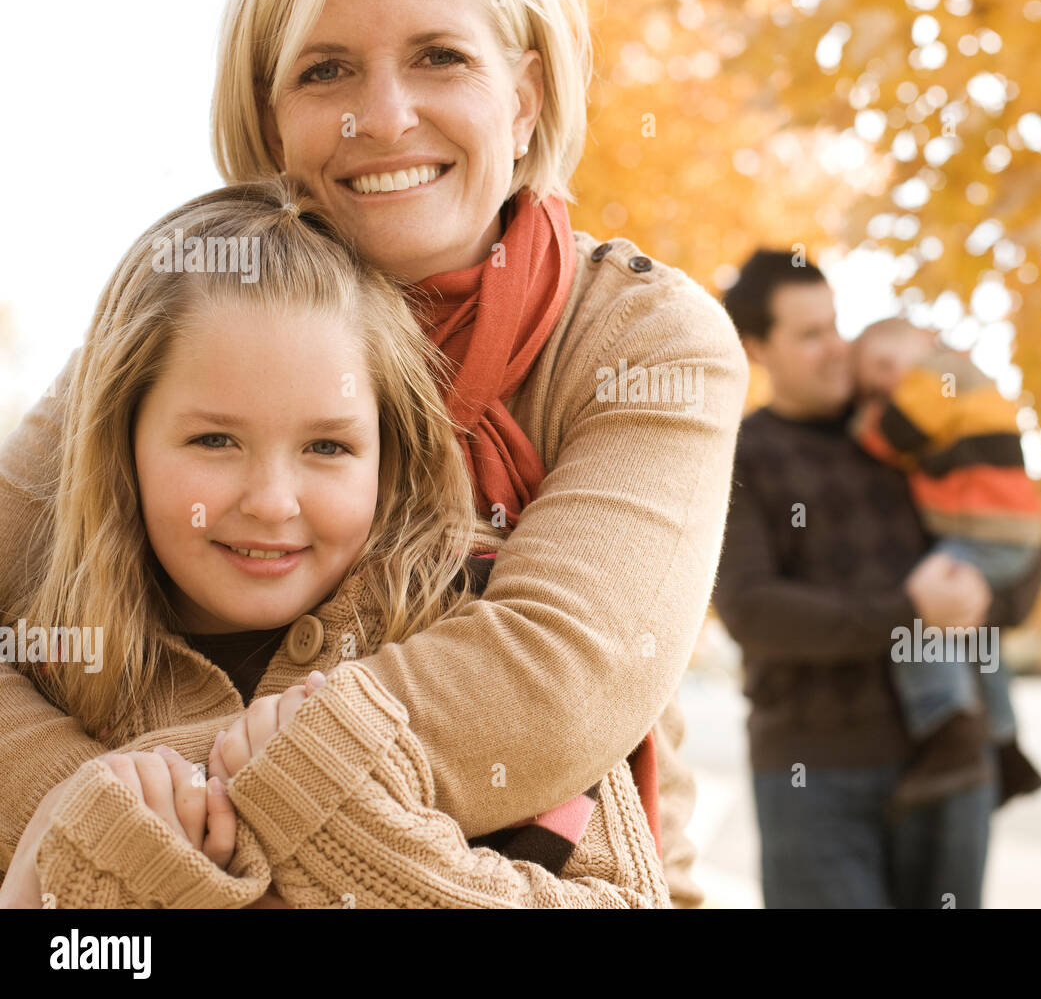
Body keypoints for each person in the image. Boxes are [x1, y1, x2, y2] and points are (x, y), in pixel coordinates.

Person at [0, 0, 747, 909]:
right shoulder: (180, 319)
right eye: (326, 71)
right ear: (269, 117)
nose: (383, 116)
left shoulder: (644, 339)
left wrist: (136, 816)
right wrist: (76, 809)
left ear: (523, 99)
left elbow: (556, 679)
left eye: (440, 57)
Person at [0, 180, 668, 908]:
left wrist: (349, 823)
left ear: (392, 455)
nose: (272, 501)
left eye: (327, 445)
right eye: (215, 439)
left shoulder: (465, 630)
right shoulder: (54, 663)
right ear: (123, 444)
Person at [713, 250, 1041, 909]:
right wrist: (909, 610)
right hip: (814, 778)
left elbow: (1020, 564)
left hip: (950, 767)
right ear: (756, 348)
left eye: (836, 324)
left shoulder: (902, 429)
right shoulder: (736, 454)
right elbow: (753, 611)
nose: (838, 348)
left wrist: (983, 598)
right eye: (810, 335)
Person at [848, 317, 1041, 809]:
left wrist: (864, 418)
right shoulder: (954, 382)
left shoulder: (939, 374)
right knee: (975, 635)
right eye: (874, 381)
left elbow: (896, 433)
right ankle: (1004, 745)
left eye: (885, 367)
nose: (885, 384)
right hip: (1008, 532)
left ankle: (947, 727)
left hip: (985, 531)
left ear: (922, 340)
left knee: (924, 606)